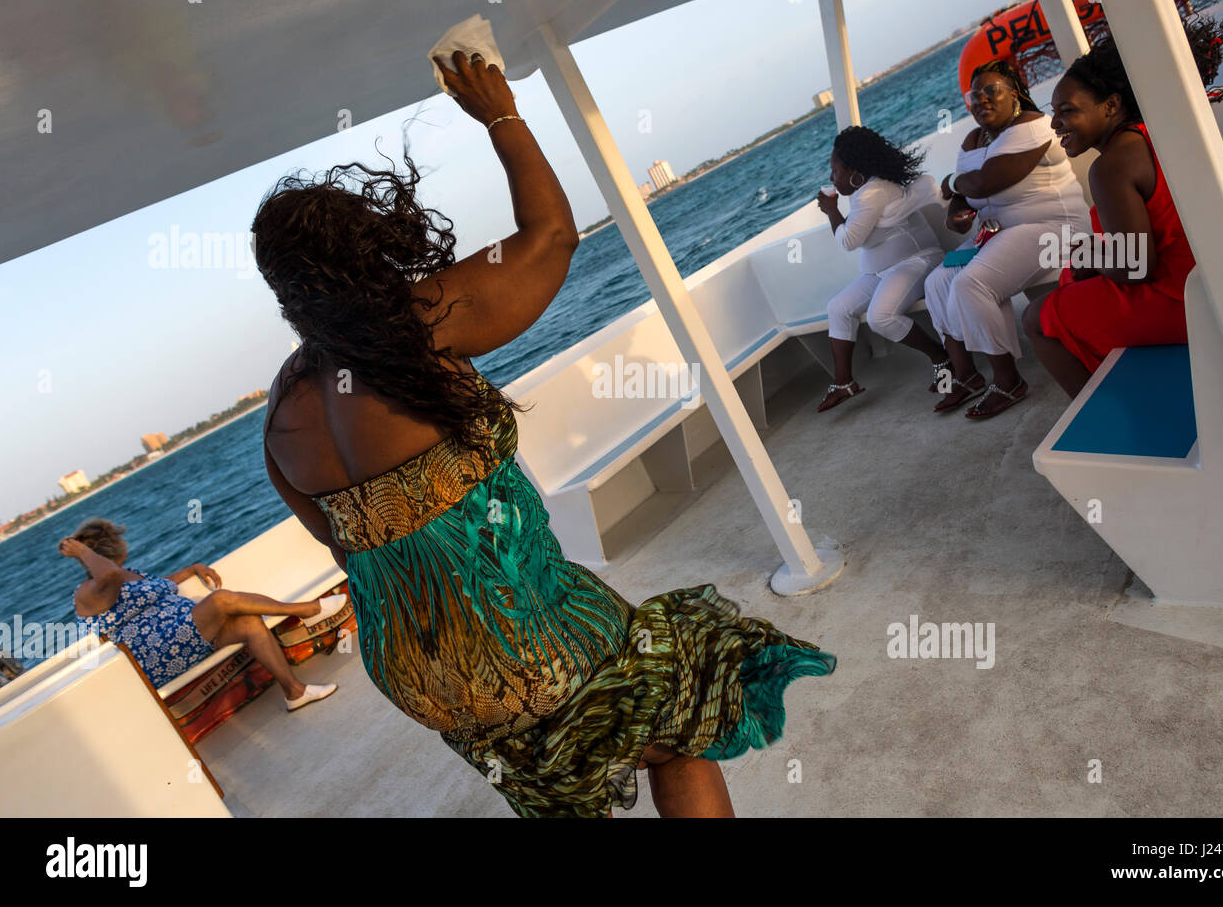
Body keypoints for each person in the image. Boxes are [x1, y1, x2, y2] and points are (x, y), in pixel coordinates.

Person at [252, 50, 836, 818]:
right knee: (682, 710)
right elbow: (551, 236)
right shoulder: (420, 324)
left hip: (420, 676)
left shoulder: (280, 418)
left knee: (560, 767)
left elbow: (348, 551)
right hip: (526, 639)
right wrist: (501, 114)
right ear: (365, 246)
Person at [1024, 20, 1223, 395]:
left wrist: (1091, 255)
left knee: (1036, 317)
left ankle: (1103, 415)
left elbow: (1135, 267)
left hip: (1185, 300)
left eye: (1067, 111)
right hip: (1213, 275)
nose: (1055, 123)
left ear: (1111, 105)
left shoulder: (1111, 166)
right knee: (1069, 281)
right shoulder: (1156, 132)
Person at [923, 59, 1089, 418]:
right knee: (937, 282)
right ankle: (966, 375)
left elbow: (986, 182)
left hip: (1054, 229)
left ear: (1014, 95)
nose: (981, 100)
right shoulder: (973, 140)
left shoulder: (1033, 126)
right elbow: (963, 197)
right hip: (999, 235)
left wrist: (953, 182)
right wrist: (956, 215)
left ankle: (1008, 380)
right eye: (974, 95)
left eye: (991, 91)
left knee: (972, 284)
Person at [61, 517, 342, 709]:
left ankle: (295, 692)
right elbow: (107, 572)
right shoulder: (90, 592)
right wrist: (81, 551)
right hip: (158, 658)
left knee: (248, 622)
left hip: (183, 639)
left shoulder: (128, 574)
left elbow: (160, 587)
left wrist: (193, 568)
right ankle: (308, 609)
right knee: (220, 601)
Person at [813, 126, 947, 412]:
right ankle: (843, 382)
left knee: (880, 317)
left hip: (916, 262)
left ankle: (942, 358)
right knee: (838, 308)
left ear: (854, 172)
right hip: (883, 272)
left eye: (835, 171)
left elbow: (848, 240)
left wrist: (831, 211)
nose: (831, 177)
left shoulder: (871, 193)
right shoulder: (867, 189)